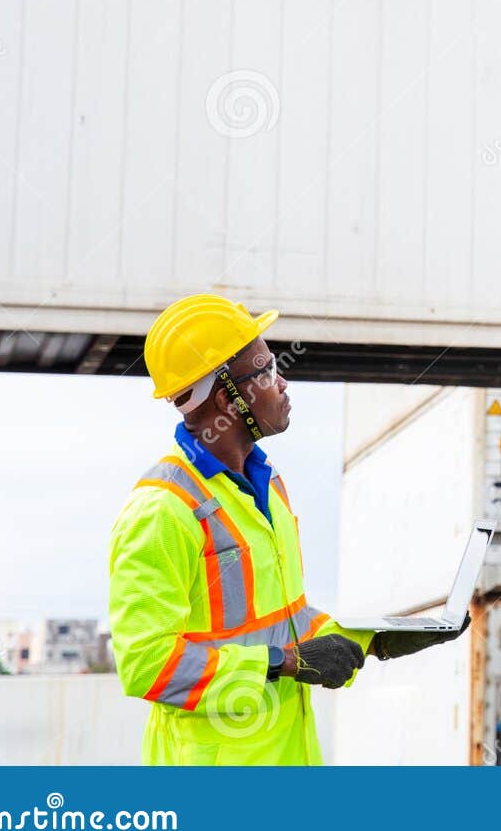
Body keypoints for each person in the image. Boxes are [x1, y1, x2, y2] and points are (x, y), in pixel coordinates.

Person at [108, 294, 465, 765]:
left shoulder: (268, 484)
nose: (283, 381)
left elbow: (285, 619)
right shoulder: (162, 511)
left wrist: (374, 641)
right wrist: (285, 663)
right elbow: (146, 665)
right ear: (226, 399)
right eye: (267, 369)